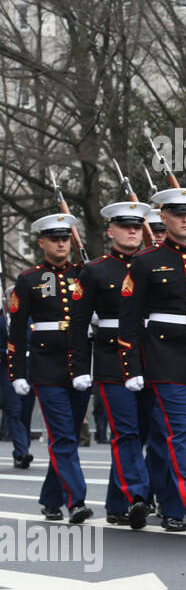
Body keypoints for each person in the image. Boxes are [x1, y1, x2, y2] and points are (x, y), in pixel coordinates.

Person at [117, 187, 186, 536]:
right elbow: (130, 319)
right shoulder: (146, 261)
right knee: (180, 432)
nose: (185, 220)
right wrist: (132, 367)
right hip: (165, 362)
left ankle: (173, 505)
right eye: (178, 215)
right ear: (162, 218)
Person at [67, 201, 154, 529]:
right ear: (111, 231)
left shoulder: (151, 265)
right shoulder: (96, 271)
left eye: (137, 226)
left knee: (142, 432)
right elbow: (77, 325)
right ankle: (138, 496)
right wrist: (79, 367)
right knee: (126, 431)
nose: (132, 232)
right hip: (111, 360)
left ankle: (118, 503)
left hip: (150, 358)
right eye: (125, 226)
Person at [8, 212, 92, 522]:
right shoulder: (29, 279)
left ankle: (50, 498)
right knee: (64, 436)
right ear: (41, 242)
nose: (61, 243)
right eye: (54, 239)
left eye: (65, 238)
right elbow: (17, 331)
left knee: (66, 435)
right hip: (47, 368)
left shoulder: (85, 273)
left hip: (80, 365)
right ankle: (77, 500)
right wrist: (17, 373)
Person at [0, 297, 34, 468]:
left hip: (30, 370)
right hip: (9, 370)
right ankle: (22, 452)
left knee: (26, 413)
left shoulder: (31, 318)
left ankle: (22, 450)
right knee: (14, 411)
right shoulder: (3, 318)